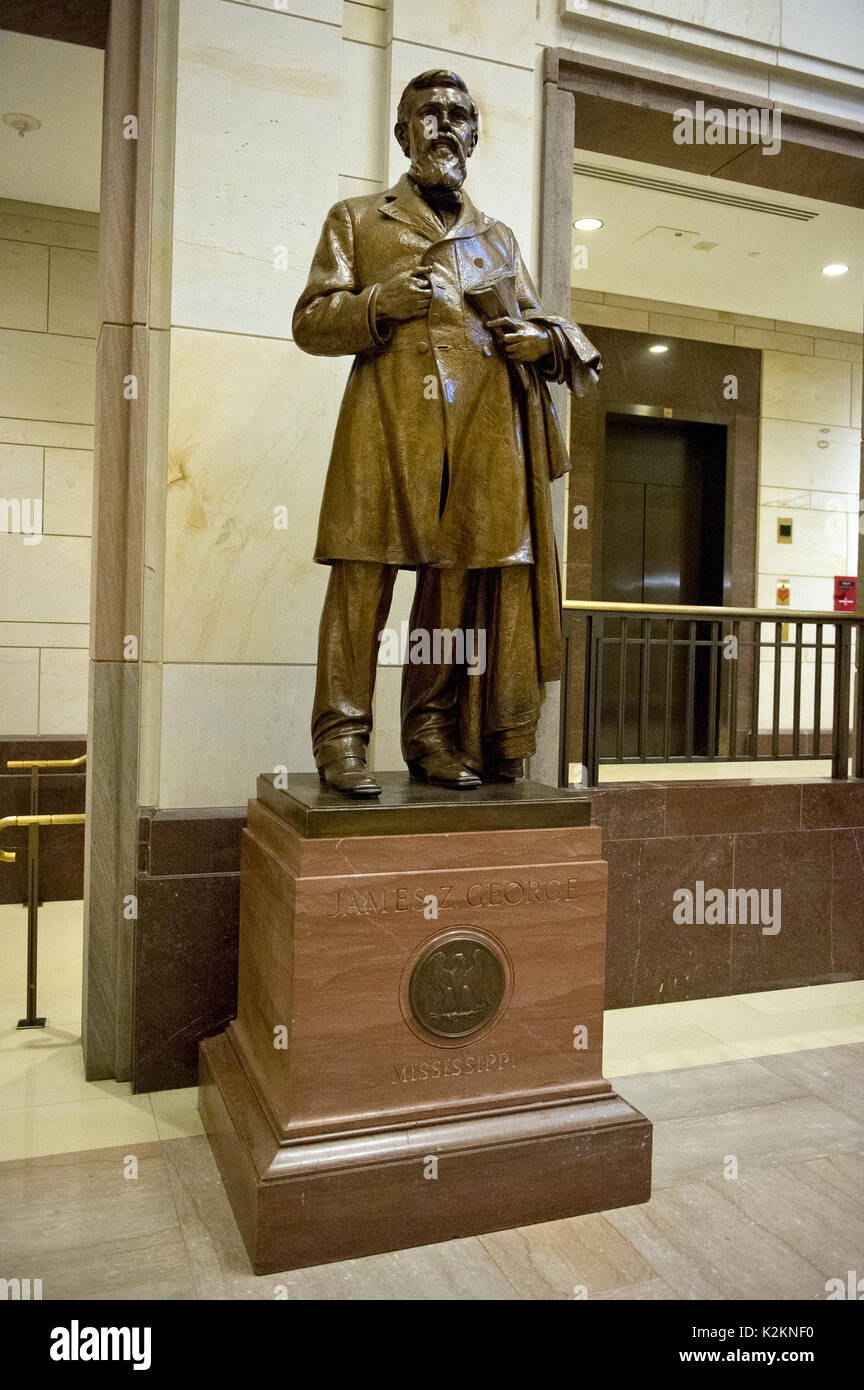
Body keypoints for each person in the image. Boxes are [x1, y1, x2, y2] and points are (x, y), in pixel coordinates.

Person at [293, 70, 600, 796]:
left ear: (472, 136)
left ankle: (430, 735)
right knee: (359, 588)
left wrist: (539, 342)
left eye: (460, 116)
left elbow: (540, 321)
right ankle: (341, 738)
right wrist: (379, 303)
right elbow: (310, 321)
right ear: (403, 132)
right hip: (384, 430)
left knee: (450, 594)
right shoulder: (359, 219)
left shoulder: (496, 239)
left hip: (479, 440)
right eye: (428, 114)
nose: (446, 126)